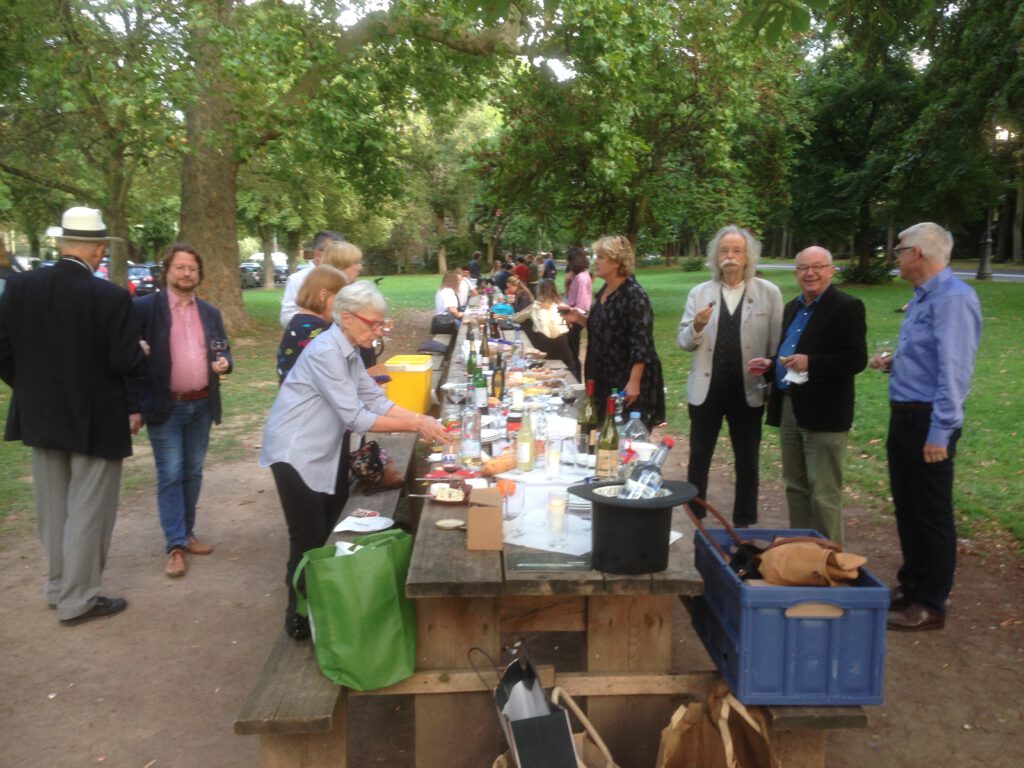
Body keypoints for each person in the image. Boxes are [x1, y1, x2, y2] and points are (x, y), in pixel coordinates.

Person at [260, 281, 450, 639]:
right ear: (346, 318)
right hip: (293, 452)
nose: (378, 331)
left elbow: (375, 400)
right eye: (372, 324)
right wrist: (416, 423)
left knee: (330, 528)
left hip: (321, 451)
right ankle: (298, 616)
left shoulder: (347, 348)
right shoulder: (326, 351)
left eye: (382, 324)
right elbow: (357, 418)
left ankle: (326, 607)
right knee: (307, 539)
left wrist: (421, 419)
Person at [0, 206, 146, 625]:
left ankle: (58, 586)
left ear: (61, 243)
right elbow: (124, 360)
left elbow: (3, 351)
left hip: (39, 414)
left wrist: (29, 389)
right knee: (88, 510)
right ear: (99, 249)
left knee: (53, 508)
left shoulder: (21, 286)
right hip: (95, 418)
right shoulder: (109, 296)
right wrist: (142, 353)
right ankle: (78, 598)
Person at [870, 223, 981, 632]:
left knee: (931, 512)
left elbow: (955, 373)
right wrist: (894, 364)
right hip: (906, 413)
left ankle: (930, 603)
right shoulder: (922, 298)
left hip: (928, 419)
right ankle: (911, 586)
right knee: (909, 506)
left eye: (899, 250)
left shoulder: (953, 300)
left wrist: (941, 432)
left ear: (917, 253)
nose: (895, 256)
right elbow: (930, 360)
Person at [750, 246, 866, 544]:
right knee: (795, 487)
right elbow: (792, 350)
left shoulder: (846, 306)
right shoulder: (793, 307)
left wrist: (812, 364)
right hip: (790, 406)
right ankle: (801, 553)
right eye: (803, 268)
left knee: (824, 492)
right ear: (796, 272)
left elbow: (855, 359)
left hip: (824, 412)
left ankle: (829, 564)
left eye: (817, 267)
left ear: (831, 270)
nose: (810, 273)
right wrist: (772, 362)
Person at [134, 244, 232, 578]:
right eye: (180, 267)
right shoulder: (145, 309)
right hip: (166, 407)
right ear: (167, 271)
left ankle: (187, 533)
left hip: (202, 403)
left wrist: (225, 363)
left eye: (192, 268)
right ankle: (175, 545)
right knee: (170, 474)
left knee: (193, 472)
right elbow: (127, 357)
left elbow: (225, 353)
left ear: (199, 274)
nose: (186, 273)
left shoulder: (210, 313)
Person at [677, 225, 782, 525]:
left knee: (747, 459)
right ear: (715, 257)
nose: (730, 257)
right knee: (699, 456)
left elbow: (776, 343)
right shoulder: (700, 293)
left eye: (737, 250)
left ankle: (745, 522)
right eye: (724, 251)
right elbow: (683, 342)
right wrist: (696, 326)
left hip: (747, 389)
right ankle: (696, 514)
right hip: (706, 388)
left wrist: (771, 376)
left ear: (748, 256)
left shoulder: (768, 293)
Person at [565, 236, 665, 428]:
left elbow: (641, 343)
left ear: (617, 262)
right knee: (598, 434)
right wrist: (579, 318)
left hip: (623, 381)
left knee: (620, 440)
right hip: (601, 376)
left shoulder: (634, 296)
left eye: (601, 257)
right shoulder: (605, 290)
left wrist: (634, 382)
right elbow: (607, 328)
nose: (595, 260)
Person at [277, 265, 349, 383]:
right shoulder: (315, 328)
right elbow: (329, 368)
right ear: (323, 295)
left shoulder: (298, 321)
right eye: (340, 300)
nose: (342, 307)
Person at [279, 230, 344, 328]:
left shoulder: (342, 278)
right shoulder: (297, 279)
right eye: (332, 253)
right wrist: (317, 316)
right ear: (317, 254)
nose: (338, 258)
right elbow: (286, 318)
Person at [512, 278, 574, 370]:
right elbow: (570, 325)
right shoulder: (563, 306)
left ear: (539, 291)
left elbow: (516, 318)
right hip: (563, 345)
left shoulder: (535, 306)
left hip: (543, 346)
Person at [561, 246, 592, 381]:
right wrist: (567, 283)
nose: (568, 265)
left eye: (569, 262)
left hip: (575, 319)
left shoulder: (582, 278)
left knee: (572, 354)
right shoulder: (578, 277)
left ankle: (576, 381)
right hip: (572, 315)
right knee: (571, 352)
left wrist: (572, 318)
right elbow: (570, 297)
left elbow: (582, 304)